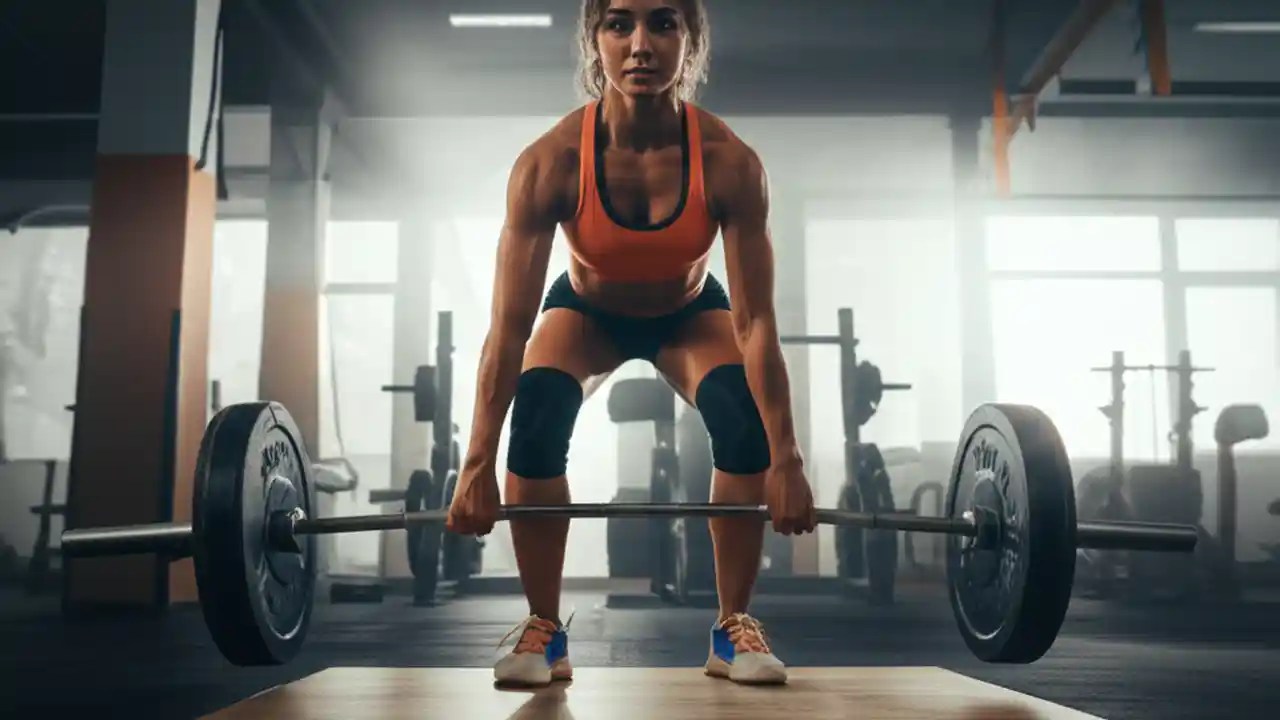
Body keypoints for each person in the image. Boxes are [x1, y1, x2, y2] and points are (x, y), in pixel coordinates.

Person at [445, 0, 817, 687]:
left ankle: (733, 628)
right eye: (619, 24)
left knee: (742, 422)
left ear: (692, 41)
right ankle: (544, 629)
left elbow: (757, 322)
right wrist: (475, 464)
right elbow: (508, 329)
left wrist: (786, 459)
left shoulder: (729, 162)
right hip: (588, 311)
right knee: (537, 415)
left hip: (688, 312)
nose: (640, 45)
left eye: (663, 24)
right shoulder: (550, 162)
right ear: (594, 40)